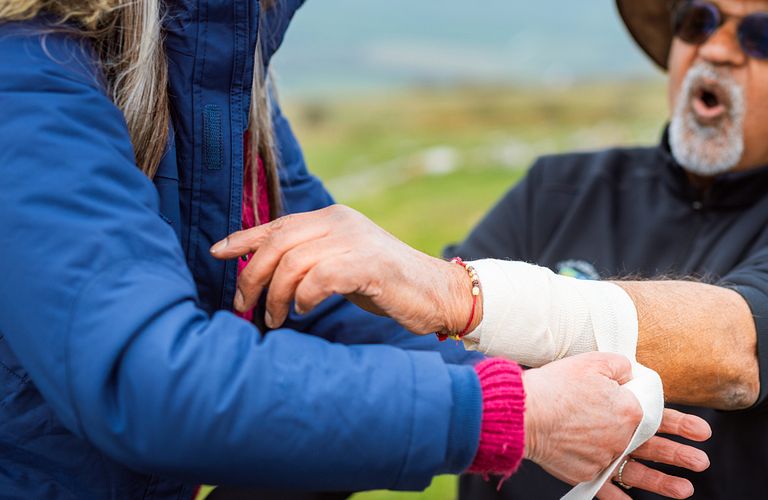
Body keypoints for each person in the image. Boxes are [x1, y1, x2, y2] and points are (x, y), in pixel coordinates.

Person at [212, 0, 768, 498]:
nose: (715, 48)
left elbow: (735, 348)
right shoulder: (560, 187)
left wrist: (460, 295)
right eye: (698, 20)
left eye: (764, 35)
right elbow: (418, 367)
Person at [0, 1, 714, 499]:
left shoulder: (212, 66)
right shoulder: (30, 77)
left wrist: (537, 381)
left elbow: (305, 293)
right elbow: (149, 381)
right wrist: (512, 412)